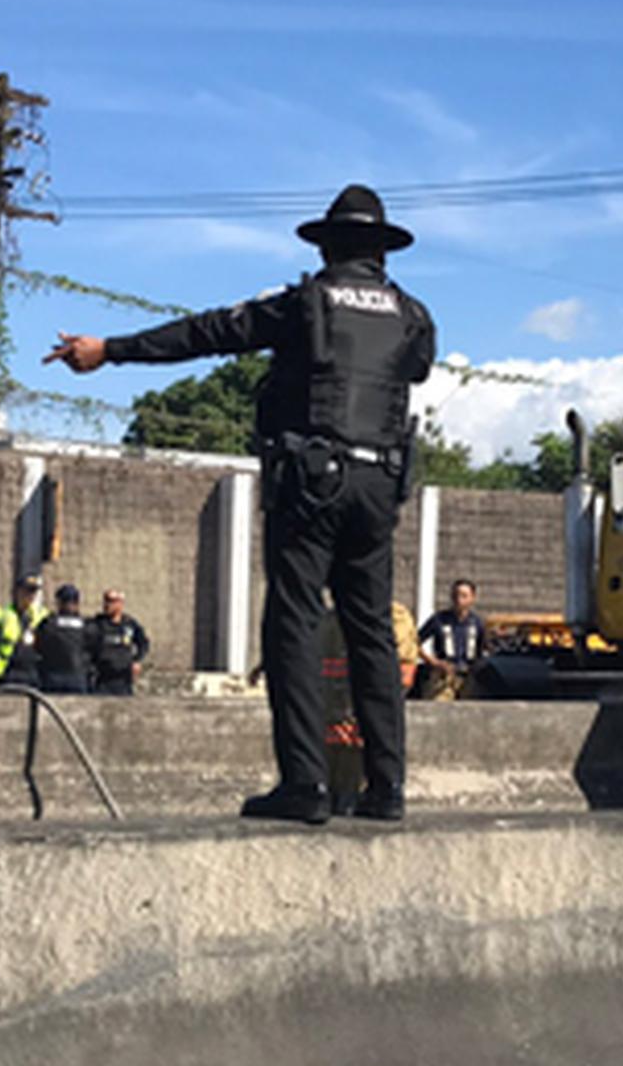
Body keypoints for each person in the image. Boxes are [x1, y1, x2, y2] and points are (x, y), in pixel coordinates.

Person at [45, 184, 435, 824]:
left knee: (295, 623)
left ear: (327, 245)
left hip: (313, 482)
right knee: (371, 632)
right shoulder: (416, 316)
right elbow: (413, 371)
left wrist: (110, 350)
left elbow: (208, 332)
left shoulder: (304, 303)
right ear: (383, 253)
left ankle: (304, 785)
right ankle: (386, 788)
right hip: (381, 488)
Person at [415, 579, 487, 700]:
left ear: (472, 598)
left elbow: (482, 650)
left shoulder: (477, 623)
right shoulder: (439, 619)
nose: (459, 600)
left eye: (464, 596)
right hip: (443, 675)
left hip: (468, 676)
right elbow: (414, 642)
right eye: (456, 595)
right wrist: (433, 662)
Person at [0, 573, 48, 689]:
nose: (30, 596)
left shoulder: (42, 616)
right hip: (6, 674)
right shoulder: (1, 615)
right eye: (26, 591)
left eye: (33, 592)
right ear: (17, 592)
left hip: (32, 675)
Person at [84, 587, 150, 695]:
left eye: (112, 601)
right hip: (102, 680)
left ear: (120, 603)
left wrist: (137, 660)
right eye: (106, 600)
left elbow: (143, 643)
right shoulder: (97, 624)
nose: (107, 605)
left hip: (123, 681)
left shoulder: (129, 625)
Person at [36, 583, 92, 695]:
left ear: (58, 603)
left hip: (53, 676)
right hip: (77, 676)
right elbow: (94, 647)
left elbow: (39, 646)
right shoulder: (86, 625)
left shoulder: (48, 624)